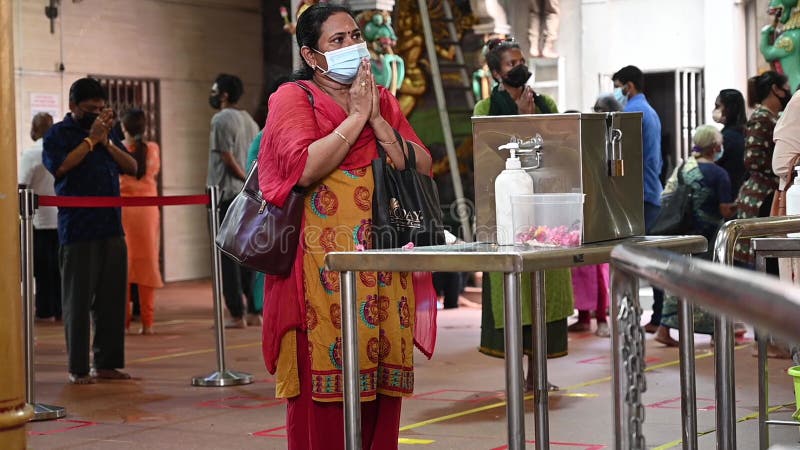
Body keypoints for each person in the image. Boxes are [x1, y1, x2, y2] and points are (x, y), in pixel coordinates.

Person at [258, 5, 433, 449]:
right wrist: (356, 119)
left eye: (355, 36)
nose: (353, 46)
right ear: (311, 55)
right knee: (323, 402)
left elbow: (422, 164)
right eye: (338, 40)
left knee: (381, 389)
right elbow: (302, 169)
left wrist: (376, 117)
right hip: (318, 272)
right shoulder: (293, 98)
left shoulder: (382, 98)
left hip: (382, 268)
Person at [474, 37, 573, 391]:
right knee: (511, 291)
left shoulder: (545, 103)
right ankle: (516, 376)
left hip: (544, 211)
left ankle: (538, 375)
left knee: (541, 289)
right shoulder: (486, 108)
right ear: (497, 72)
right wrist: (522, 124)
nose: (520, 67)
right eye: (511, 63)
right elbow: (485, 158)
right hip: (504, 214)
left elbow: (563, 149)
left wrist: (536, 121)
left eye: (521, 61)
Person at [42, 78, 138, 384]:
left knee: (112, 300)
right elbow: (60, 167)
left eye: (100, 109)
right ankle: (79, 368)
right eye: (89, 109)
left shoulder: (106, 132)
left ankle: (108, 363)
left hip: (111, 225)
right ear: (72, 106)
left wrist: (106, 142)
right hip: (77, 229)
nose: (96, 114)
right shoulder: (58, 134)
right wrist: (90, 141)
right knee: (78, 302)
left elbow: (132, 166)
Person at [654, 125, 736, 346]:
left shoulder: (684, 167)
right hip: (708, 237)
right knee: (712, 282)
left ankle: (664, 329)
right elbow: (724, 209)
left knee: (678, 279)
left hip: (683, 233)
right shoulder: (719, 174)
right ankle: (714, 334)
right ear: (715, 147)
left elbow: (668, 196)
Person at [206, 73, 261, 329]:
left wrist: (243, 177)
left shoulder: (220, 119)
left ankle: (236, 314)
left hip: (225, 195)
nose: (213, 93)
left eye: (216, 90)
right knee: (246, 255)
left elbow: (227, 158)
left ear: (224, 94)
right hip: (246, 197)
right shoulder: (250, 121)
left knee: (225, 257)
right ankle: (253, 310)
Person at [613, 65, 664, 333]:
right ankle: (658, 317)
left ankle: (645, 315)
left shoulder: (632, 113)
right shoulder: (650, 112)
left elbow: (622, 159)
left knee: (635, 259)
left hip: (638, 195)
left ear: (628, 86)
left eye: (618, 86)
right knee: (650, 256)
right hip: (650, 190)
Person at [567, 94, 622, 338]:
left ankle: (602, 318)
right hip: (574, 217)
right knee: (579, 269)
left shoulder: (600, 146)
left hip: (596, 216)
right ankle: (583, 316)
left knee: (598, 269)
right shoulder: (567, 152)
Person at [734, 71, 791, 269]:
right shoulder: (762, 117)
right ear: (775, 89)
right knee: (760, 260)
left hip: (764, 194)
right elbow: (753, 159)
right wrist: (779, 169)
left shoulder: (772, 117)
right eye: (786, 88)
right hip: (761, 198)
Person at [119, 108, 164, 335]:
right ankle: (148, 322)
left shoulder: (117, 150)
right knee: (148, 264)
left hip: (123, 212)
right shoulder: (153, 150)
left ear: (123, 127)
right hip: (148, 212)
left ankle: (124, 323)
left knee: (123, 266)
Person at [18, 112, 61, 322]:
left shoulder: (31, 153)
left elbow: (21, 185)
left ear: (34, 129)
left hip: (37, 219)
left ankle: (45, 311)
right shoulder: (62, 151)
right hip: (62, 217)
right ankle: (62, 309)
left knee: (42, 269)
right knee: (60, 268)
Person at [712, 89, 748, 200]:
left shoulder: (727, 137)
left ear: (729, 108)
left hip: (728, 196)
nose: (715, 110)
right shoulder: (745, 131)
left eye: (718, 106)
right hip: (739, 193)